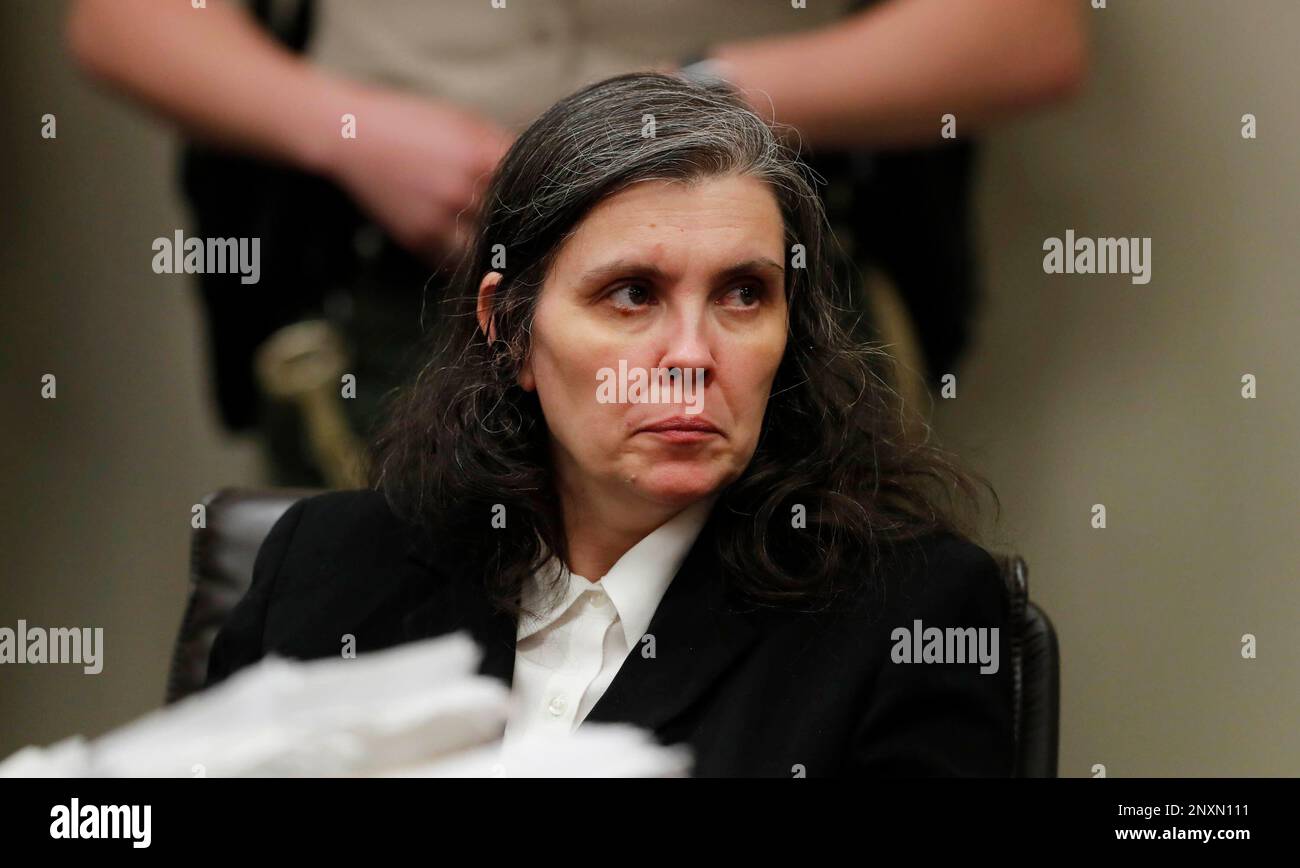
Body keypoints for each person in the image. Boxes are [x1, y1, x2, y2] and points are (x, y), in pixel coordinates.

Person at [205, 73, 1012, 777]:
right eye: (632, 294)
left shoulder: (912, 611)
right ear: (510, 331)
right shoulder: (328, 566)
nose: (692, 355)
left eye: (743, 295)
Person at [66, 0, 1088, 485]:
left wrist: (699, 107)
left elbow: (1030, 30)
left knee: (786, 679)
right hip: (386, 303)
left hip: (781, 279)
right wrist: (348, 129)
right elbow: (122, 20)